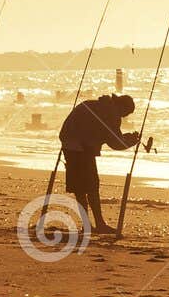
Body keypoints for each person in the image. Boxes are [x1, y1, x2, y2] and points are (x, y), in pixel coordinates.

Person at [57, 93, 141, 234]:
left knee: (80, 189)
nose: (123, 117)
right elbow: (115, 143)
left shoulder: (94, 104)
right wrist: (132, 141)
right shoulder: (111, 114)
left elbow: (111, 136)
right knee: (92, 187)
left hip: (69, 144)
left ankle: (87, 225)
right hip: (81, 148)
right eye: (125, 113)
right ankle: (99, 224)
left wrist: (126, 139)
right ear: (121, 107)